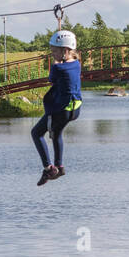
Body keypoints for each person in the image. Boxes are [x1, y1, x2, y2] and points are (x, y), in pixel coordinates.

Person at [32, 29, 82, 186]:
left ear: (65, 51)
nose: (52, 54)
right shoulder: (77, 64)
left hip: (61, 109)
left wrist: (56, 64)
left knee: (36, 133)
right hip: (75, 109)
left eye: (54, 51)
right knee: (57, 132)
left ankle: (49, 168)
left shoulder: (58, 68)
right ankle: (59, 166)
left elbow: (52, 79)